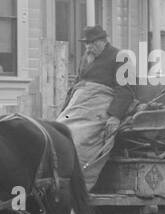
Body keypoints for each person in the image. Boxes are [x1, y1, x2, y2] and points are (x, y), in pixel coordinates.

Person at [58, 26, 137, 190]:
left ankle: (77, 185)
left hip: (100, 107)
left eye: (92, 43)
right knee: (58, 131)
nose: (88, 47)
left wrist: (114, 116)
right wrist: (64, 109)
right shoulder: (87, 57)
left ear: (103, 41)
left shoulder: (120, 57)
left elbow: (126, 90)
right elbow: (76, 85)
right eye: (86, 44)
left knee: (78, 139)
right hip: (79, 105)